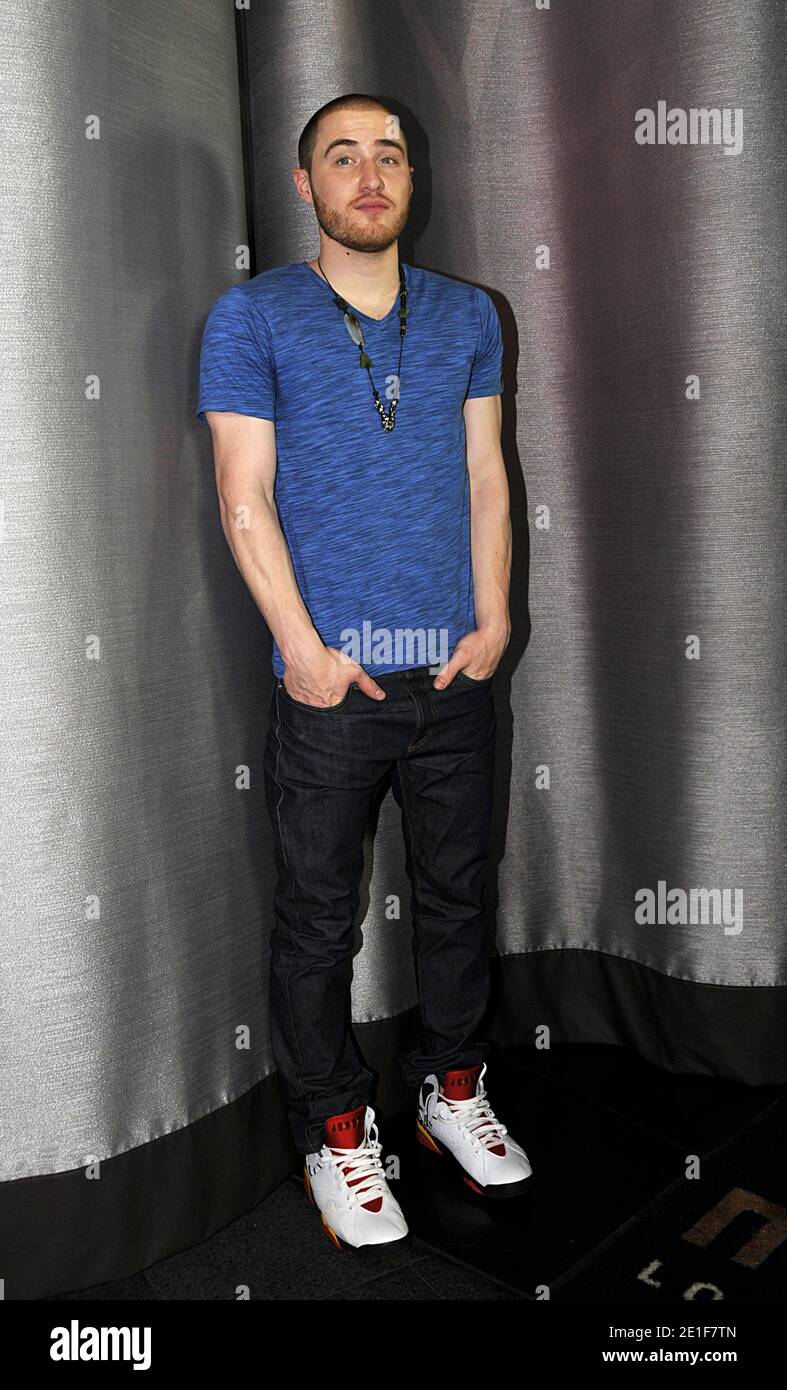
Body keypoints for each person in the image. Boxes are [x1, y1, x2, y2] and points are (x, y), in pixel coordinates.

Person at [196, 93, 533, 1253]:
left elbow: (486, 475)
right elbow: (242, 492)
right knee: (315, 922)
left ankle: (451, 1088)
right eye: (342, 156)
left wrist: (495, 615)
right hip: (332, 691)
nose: (370, 173)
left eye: (388, 153)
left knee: (458, 897)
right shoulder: (252, 316)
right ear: (307, 185)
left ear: (411, 176)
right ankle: (335, 1130)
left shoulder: (470, 314)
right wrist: (301, 651)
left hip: (455, 677)